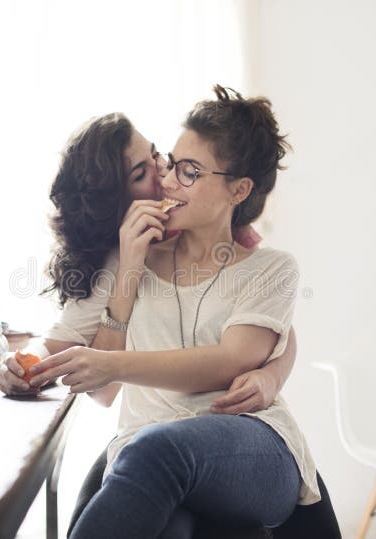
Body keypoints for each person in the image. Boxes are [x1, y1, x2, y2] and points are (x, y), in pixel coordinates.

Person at [25, 86, 322, 538]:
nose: (167, 180)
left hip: (249, 440)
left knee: (152, 449)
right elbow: (58, 356)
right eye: (168, 166)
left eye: (187, 170)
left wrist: (273, 374)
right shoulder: (128, 256)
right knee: (166, 517)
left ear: (238, 189)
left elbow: (238, 354)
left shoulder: (270, 266)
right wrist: (15, 364)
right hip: (150, 445)